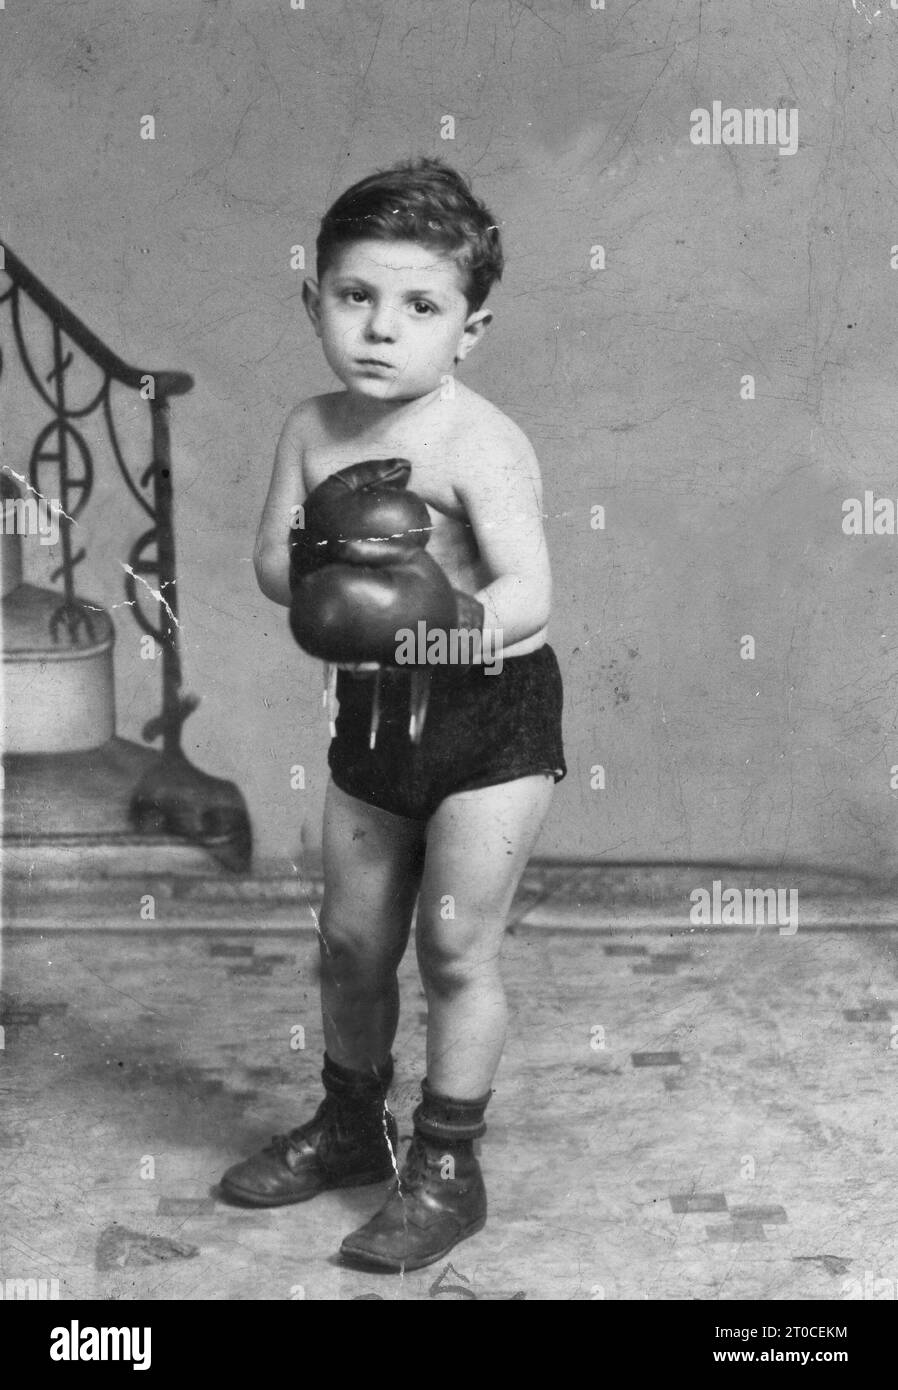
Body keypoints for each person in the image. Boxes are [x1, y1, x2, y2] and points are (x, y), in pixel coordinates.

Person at [220, 157, 566, 1272]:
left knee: (455, 945)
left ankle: (447, 1168)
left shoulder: (484, 440)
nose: (380, 329)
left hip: (488, 716)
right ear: (311, 297)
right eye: (353, 296)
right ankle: (347, 1123)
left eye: (420, 306)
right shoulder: (311, 428)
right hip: (374, 722)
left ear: (469, 329)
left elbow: (529, 595)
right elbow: (273, 565)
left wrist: (428, 616)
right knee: (352, 939)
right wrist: (330, 570)